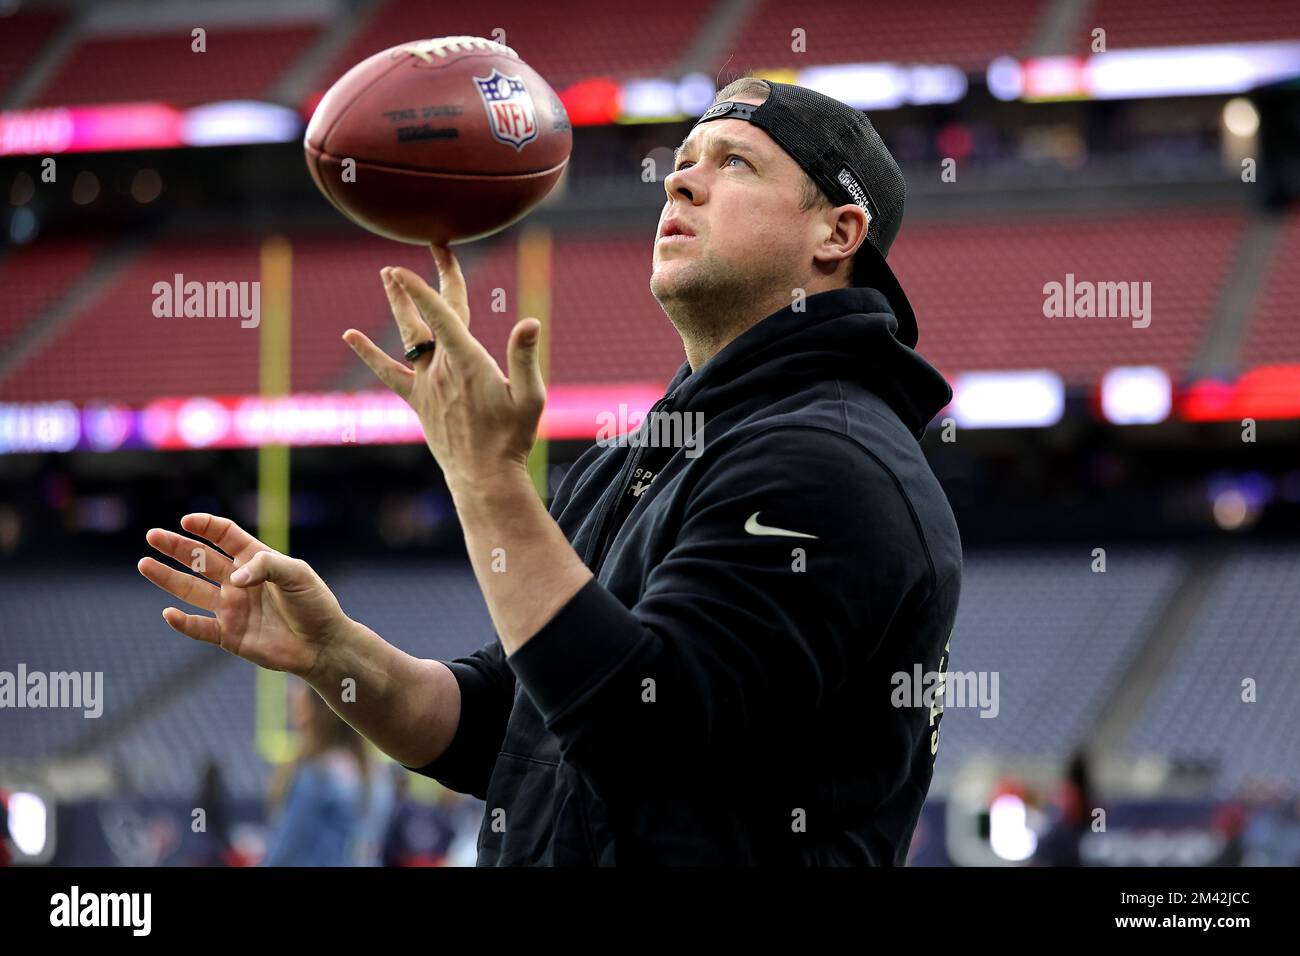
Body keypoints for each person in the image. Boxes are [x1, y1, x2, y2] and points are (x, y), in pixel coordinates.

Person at [138, 76, 961, 865]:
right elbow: (515, 724)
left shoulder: (836, 461)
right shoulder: (648, 452)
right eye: (683, 161)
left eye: (733, 162)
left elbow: (640, 733)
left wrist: (485, 477)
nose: (680, 183)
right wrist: (337, 657)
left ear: (837, 233)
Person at [261, 681, 390, 866]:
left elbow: (288, 845)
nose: (295, 718)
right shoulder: (376, 771)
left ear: (316, 712)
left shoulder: (316, 774)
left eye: (299, 709)